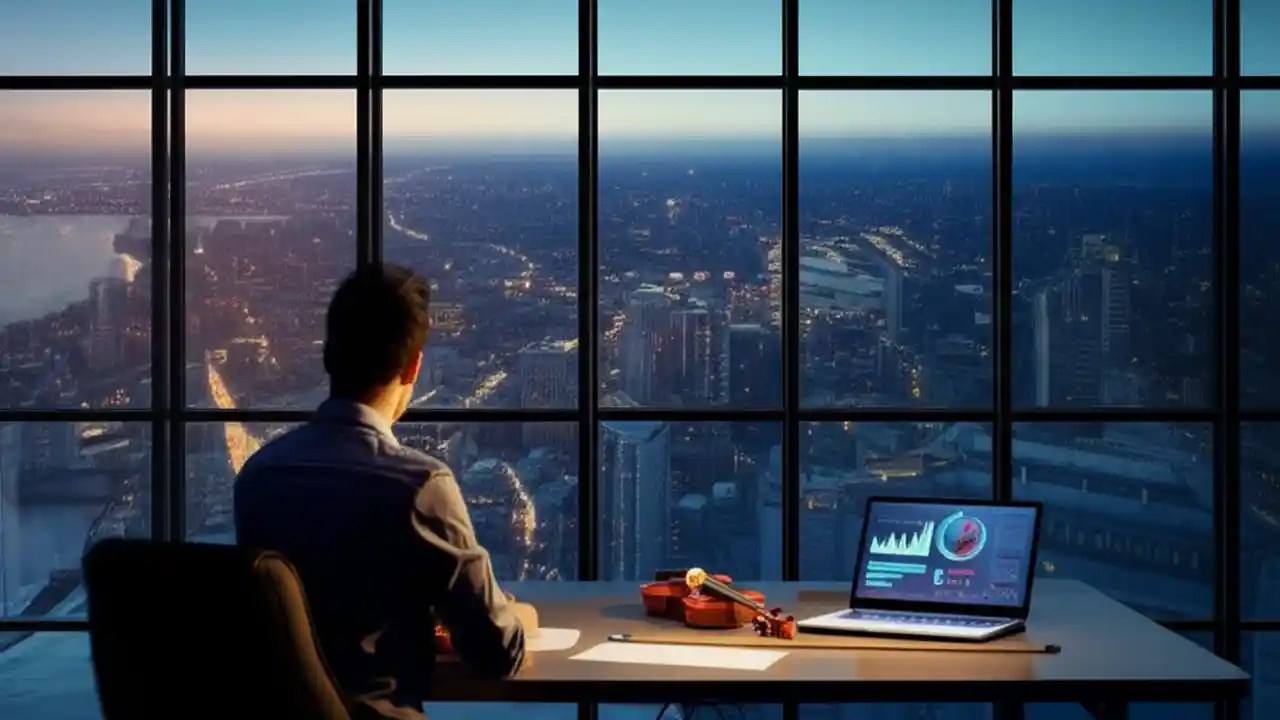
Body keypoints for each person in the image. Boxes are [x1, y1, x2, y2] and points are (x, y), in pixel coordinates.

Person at [234, 265, 529, 719]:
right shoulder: (419, 486)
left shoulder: (258, 478)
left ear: (328, 355)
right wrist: (519, 614)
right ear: (413, 366)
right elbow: (497, 652)